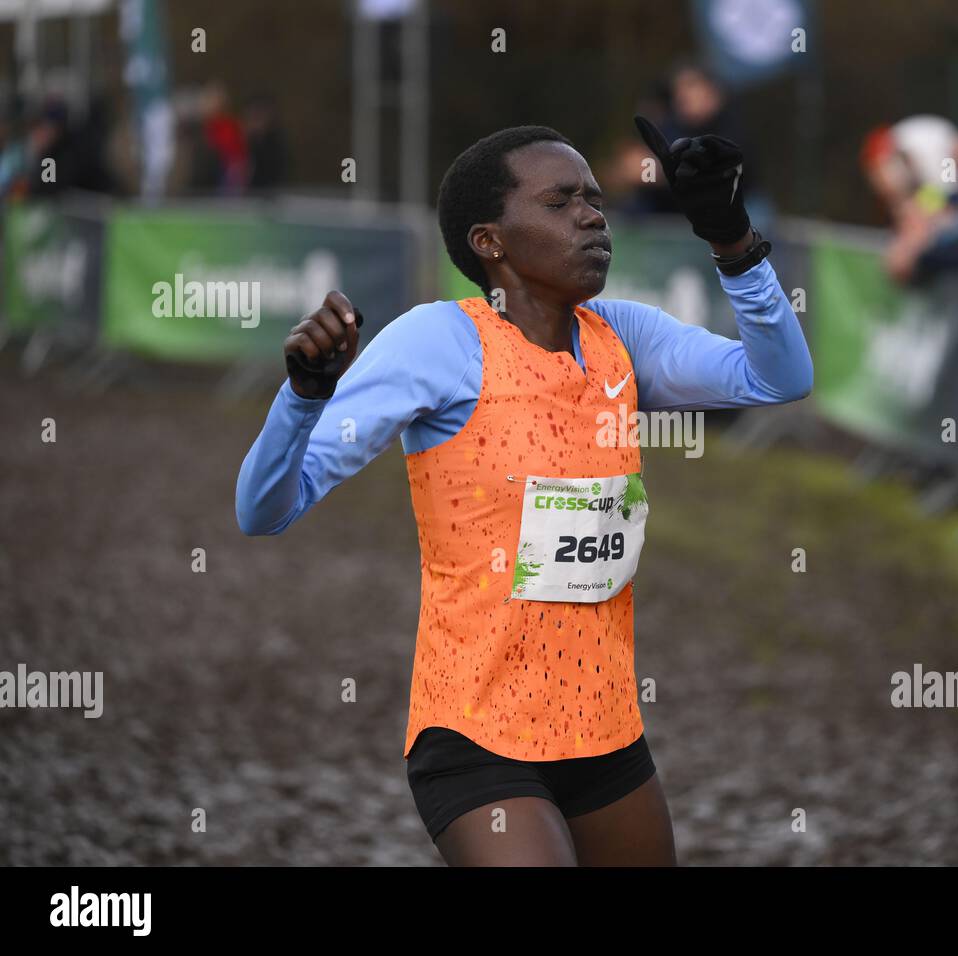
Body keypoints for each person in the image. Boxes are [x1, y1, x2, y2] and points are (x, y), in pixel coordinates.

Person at [234, 121, 813, 866]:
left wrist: (732, 238)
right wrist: (305, 396)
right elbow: (263, 509)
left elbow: (780, 378)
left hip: (604, 731)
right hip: (476, 735)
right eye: (561, 201)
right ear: (490, 241)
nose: (592, 216)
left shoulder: (620, 335)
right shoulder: (440, 341)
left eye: (596, 201)